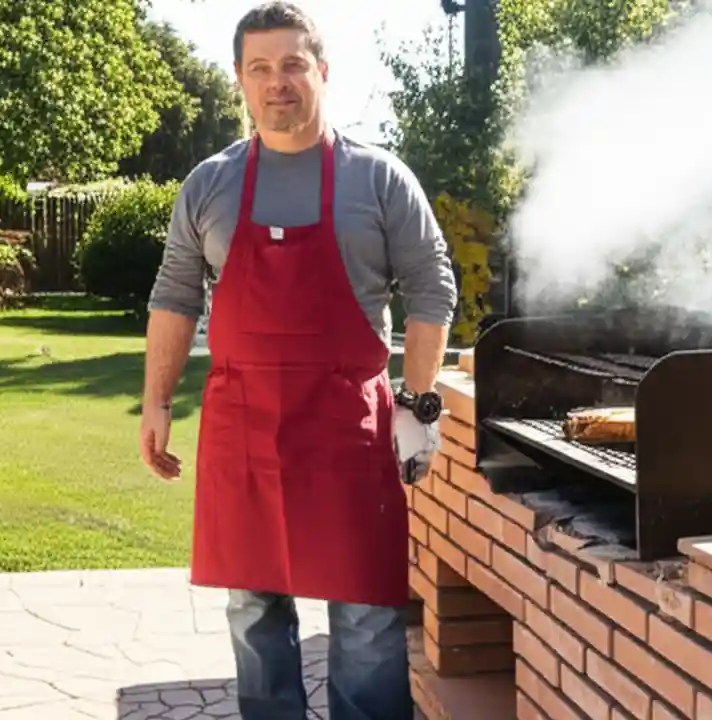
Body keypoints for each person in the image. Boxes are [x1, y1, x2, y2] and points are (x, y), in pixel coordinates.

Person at [137, 2, 458, 719]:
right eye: (260, 68)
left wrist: (417, 403)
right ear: (239, 81)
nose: (276, 82)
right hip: (243, 426)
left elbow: (433, 284)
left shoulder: (378, 179)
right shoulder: (209, 184)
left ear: (321, 71)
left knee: (367, 616)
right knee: (253, 612)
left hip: (349, 425)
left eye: (291, 65)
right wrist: (156, 402)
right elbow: (174, 293)